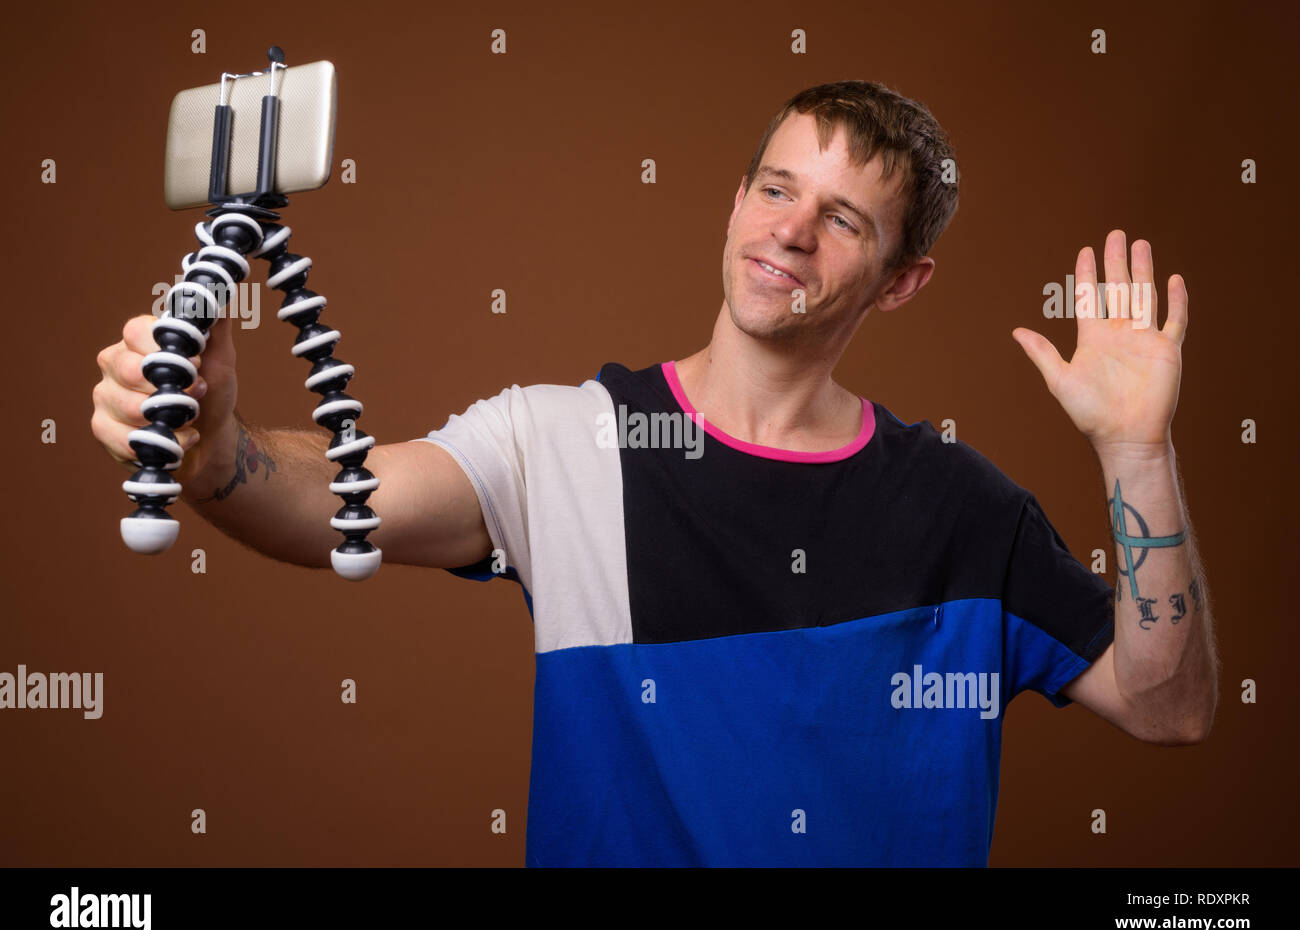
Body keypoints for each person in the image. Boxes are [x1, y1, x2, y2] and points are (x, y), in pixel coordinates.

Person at [92, 80, 1218, 866]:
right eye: (775, 189)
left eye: (842, 219)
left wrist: (1136, 452)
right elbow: (328, 498)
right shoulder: (560, 445)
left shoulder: (967, 508)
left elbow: (1168, 710)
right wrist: (214, 453)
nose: (790, 233)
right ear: (734, 201)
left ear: (900, 282)